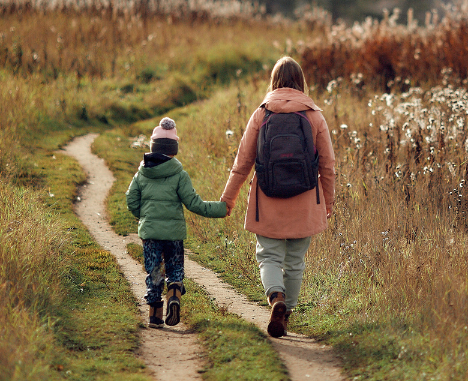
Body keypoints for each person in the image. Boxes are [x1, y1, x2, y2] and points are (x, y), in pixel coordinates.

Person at [221, 56, 336, 338]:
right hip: (306, 199)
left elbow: (243, 162)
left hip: (267, 199)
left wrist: (228, 199)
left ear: (273, 81)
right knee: (295, 261)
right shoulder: (314, 115)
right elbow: (328, 166)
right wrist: (328, 204)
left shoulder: (261, 114)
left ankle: (276, 299)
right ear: (301, 82)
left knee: (269, 257)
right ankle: (287, 315)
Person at [126, 116, 228, 328]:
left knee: (154, 271)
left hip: (151, 234)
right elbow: (194, 203)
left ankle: (155, 315)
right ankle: (174, 293)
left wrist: (143, 217)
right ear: (174, 150)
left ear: (153, 148)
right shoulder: (179, 174)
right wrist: (222, 208)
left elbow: (131, 200)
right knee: (175, 269)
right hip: (173, 235)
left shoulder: (141, 173)